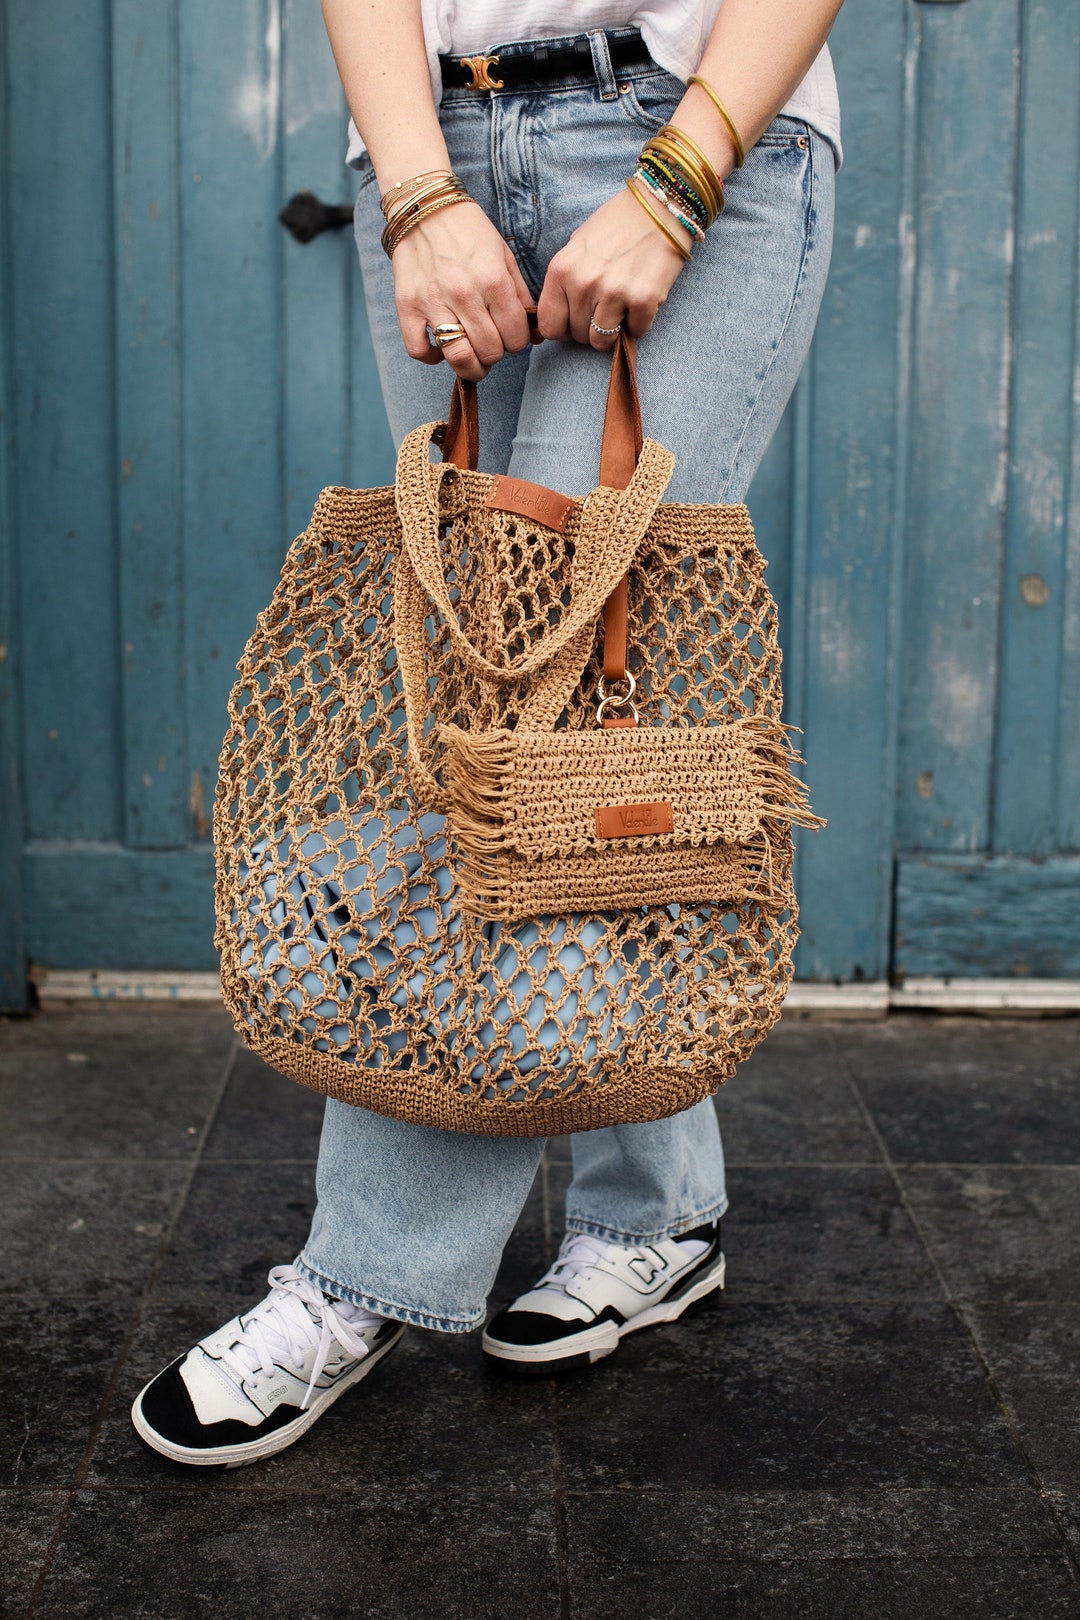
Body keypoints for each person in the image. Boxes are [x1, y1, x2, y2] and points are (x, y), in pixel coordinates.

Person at [132, 0, 843, 1469]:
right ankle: (661, 1220)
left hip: (694, 129)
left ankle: (356, 1277)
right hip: (438, 147)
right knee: (557, 724)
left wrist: (679, 179)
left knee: (529, 727)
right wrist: (416, 189)